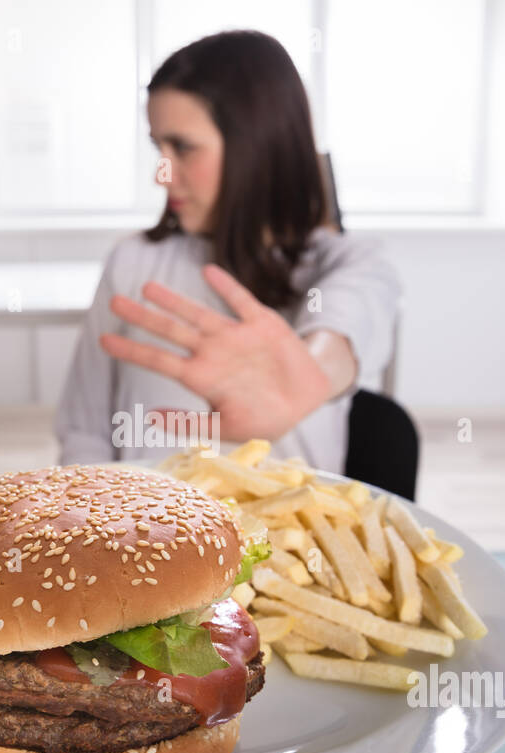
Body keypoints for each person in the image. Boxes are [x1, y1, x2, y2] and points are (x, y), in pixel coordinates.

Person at [55, 30, 401, 472]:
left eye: (182, 147)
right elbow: (84, 432)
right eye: (157, 146)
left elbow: (347, 322)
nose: (162, 174)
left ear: (256, 145)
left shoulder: (348, 263)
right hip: (139, 530)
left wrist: (308, 379)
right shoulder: (132, 260)